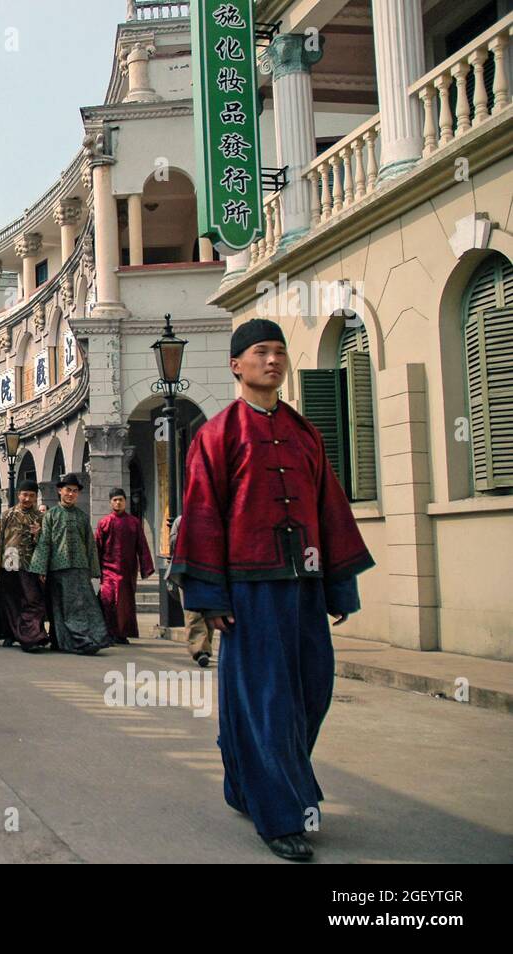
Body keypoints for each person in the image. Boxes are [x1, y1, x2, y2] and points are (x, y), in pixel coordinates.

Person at [170, 318, 374, 861]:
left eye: (280, 352)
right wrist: (210, 598)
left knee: (312, 689)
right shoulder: (215, 436)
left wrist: (339, 587)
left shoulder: (306, 432)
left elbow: (331, 510)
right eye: (261, 352)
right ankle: (281, 814)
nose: (273, 361)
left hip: (303, 586)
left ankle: (246, 780)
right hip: (249, 594)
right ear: (237, 364)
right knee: (266, 701)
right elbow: (204, 517)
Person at [29, 473, 109, 655]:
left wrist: (94, 568)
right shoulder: (50, 516)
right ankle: (70, 641)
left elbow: (90, 543)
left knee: (83, 606)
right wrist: (41, 568)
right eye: (68, 490)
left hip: (80, 568)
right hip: (58, 569)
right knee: (61, 607)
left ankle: (85, 639)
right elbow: (44, 542)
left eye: (74, 491)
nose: (71, 494)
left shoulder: (82, 516)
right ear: (60, 491)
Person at [0, 481, 48, 652]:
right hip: (10, 565)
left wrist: (38, 535)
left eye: (31, 495)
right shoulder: (7, 515)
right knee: (10, 602)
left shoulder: (42, 518)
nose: (27, 498)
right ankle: (11, 634)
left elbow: (47, 544)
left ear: (36, 497)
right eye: (24, 494)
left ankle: (32, 636)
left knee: (32, 600)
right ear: (19, 494)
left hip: (32, 566)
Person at [95, 487, 155, 644]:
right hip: (108, 569)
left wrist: (146, 567)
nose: (118, 502)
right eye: (115, 500)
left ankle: (122, 634)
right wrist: (95, 568)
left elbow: (142, 546)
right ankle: (108, 632)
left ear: (125, 501)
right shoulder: (104, 523)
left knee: (125, 604)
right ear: (110, 503)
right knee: (107, 600)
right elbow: (97, 547)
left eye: (121, 499)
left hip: (128, 570)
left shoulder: (134, 523)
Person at [168, 515, 214, 667]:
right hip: (191, 572)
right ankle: (200, 650)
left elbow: (173, 543)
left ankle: (204, 647)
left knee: (203, 613)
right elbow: (174, 544)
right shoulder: (182, 521)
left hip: (204, 571)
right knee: (194, 612)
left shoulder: (183, 520)